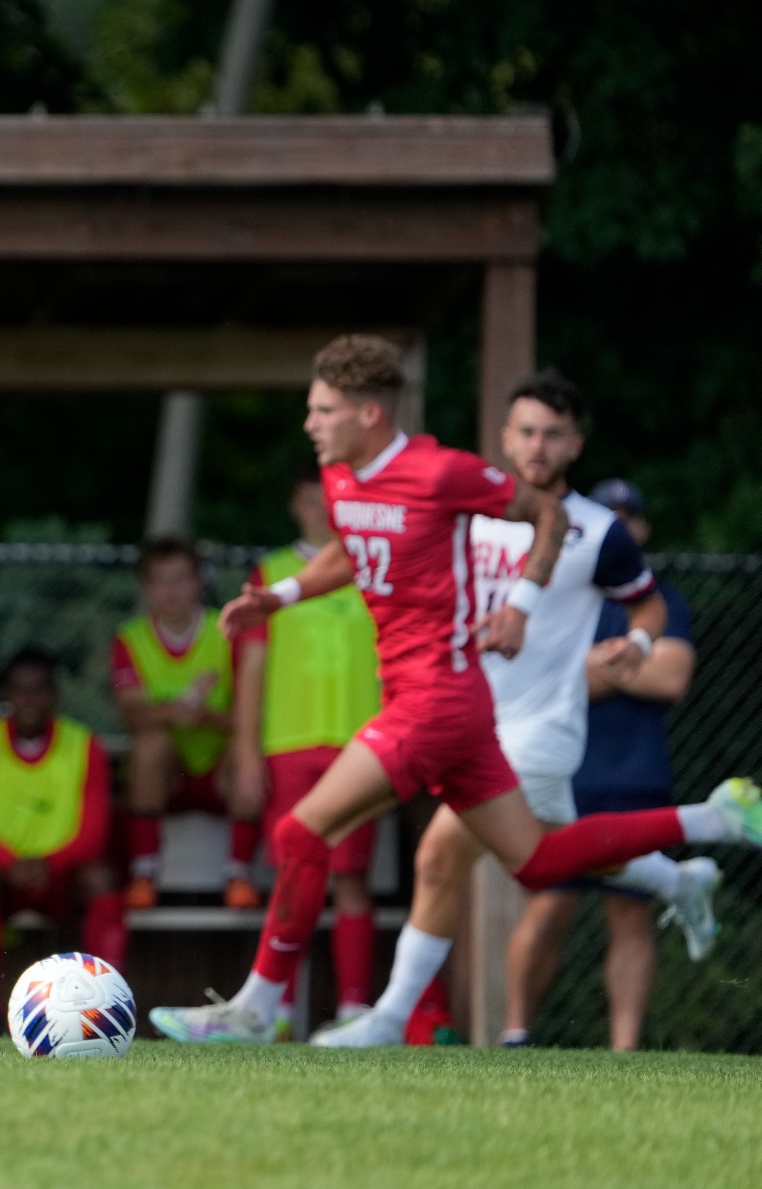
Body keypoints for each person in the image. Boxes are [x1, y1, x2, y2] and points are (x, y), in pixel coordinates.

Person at [148, 334, 762, 1046]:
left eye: (323, 409)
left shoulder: (440, 472)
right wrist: (278, 595)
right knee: (535, 859)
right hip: (469, 705)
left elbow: (552, 517)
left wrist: (520, 608)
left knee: (299, 830)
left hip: (435, 701)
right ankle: (712, 819)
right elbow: (353, 550)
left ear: (371, 412)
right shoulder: (344, 478)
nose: (309, 423)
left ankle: (256, 1008)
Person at [317, 371, 715, 1049]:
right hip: (466, 718)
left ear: (575, 444)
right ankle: (679, 876)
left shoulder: (597, 530)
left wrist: (638, 640)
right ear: (504, 437)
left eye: (553, 433)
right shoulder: (468, 514)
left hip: (540, 729)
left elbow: (647, 603)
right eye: (526, 430)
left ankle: (387, 1019)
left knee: (443, 852)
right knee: (555, 851)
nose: (537, 444)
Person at [502, 480, 707, 1050]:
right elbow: (539, 678)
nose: (619, 526)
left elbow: (671, 677)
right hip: (561, 772)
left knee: (631, 916)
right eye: (607, 515)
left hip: (633, 775)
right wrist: (611, 667)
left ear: (638, 532)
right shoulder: (554, 595)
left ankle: (624, 1050)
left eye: (629, 518)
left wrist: (585, 670)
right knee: (548, 902)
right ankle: (514, 1033)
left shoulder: (662, 599)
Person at [228, 459, 384, 1033]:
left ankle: (352, 1012)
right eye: (311, 498)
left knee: (350, 879)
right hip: (288, 744)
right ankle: (279, 1012)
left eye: (331, 498)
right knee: (293, 875)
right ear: (295, 503)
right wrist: (246, 752)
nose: (322, 508)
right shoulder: (269, 573)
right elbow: (250, 669)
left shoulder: (370, 569)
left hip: (358, 746)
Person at [0, 648, 119, 1031]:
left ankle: (107, 1004)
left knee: (102, 878)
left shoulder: (84, 745)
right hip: (3, 876)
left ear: (54, 695)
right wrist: (12, 863)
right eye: (20, 690)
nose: (29, 700)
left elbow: (93, 834)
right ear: (5, 695)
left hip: (60, 878)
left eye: (39, 690)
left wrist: (50, 865)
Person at [112, 538, 261, 908]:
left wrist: (206, 716)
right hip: (170, 774)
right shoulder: (130, 639)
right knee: (150, 743)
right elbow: (133, 715)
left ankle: (238, 876)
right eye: (161, 581)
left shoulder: (227, 632)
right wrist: (178, 710)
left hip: (218, 768)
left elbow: (251, 714)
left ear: (198, 583)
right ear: (146, 588)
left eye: (180, 579)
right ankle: (144, 874)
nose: (171, 590)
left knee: (246, 749)